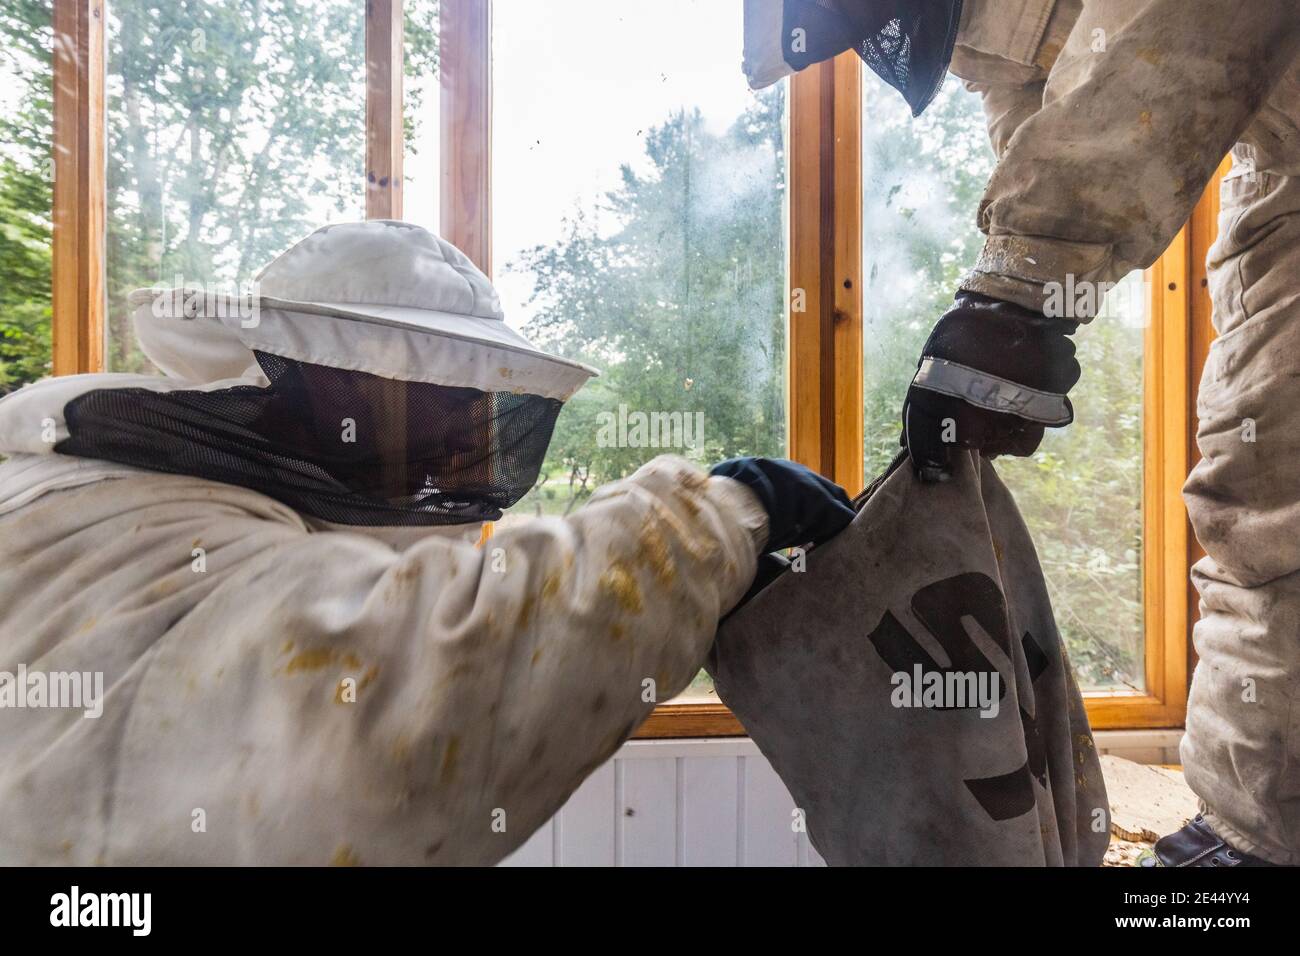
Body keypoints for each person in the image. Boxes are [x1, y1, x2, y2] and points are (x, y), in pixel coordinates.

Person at [0, 220, 854, 865]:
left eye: (474, 418)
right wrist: (712, 517)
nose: (456, 451)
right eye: (433, 410)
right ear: (327, 376)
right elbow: (394, 701)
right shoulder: (131, 517)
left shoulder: (162, 492)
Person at [743, 0, 1300, 865]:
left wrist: (1020, 291)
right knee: (1263, 500)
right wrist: (1012, 299)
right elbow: (1042, 104)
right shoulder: (993, 40)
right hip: (1286, 171)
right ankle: (1265, 834)